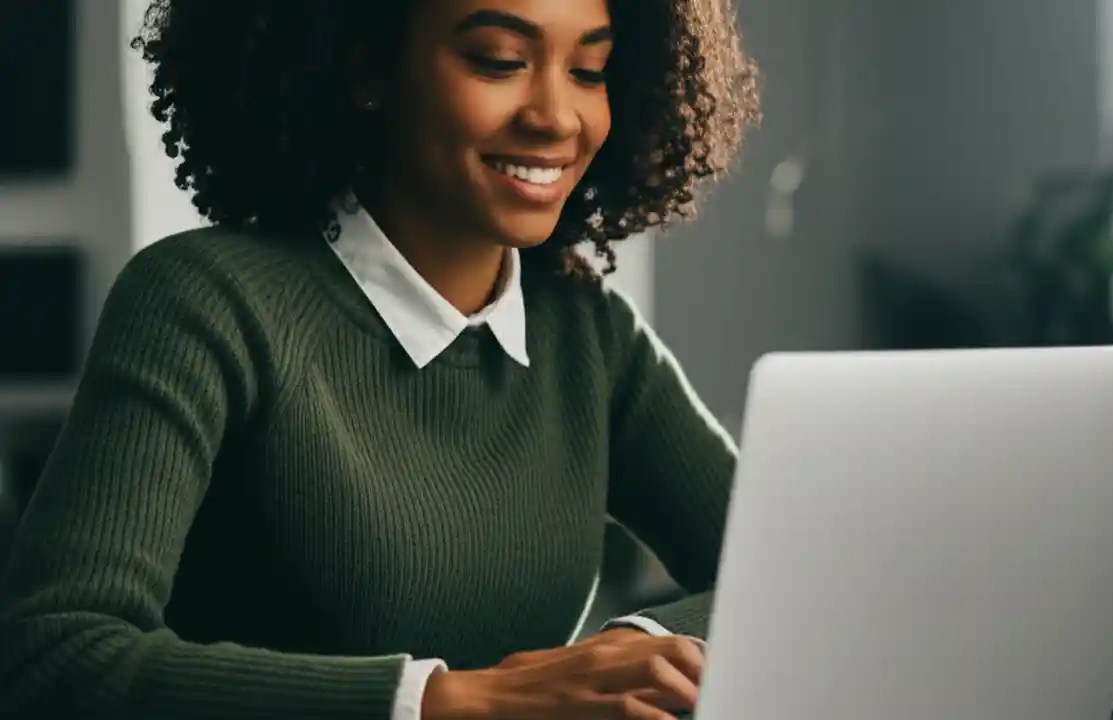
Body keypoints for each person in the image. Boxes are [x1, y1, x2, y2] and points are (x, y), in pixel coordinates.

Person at [0, 0, 760, 718]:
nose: (556, 116)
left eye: (590, 71)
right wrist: (445, 703)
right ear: (366, 71)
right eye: (499, 60)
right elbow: (56, 655)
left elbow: (792, 571)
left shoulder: (587, 332)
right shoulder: (205, 302)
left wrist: (640, 648)